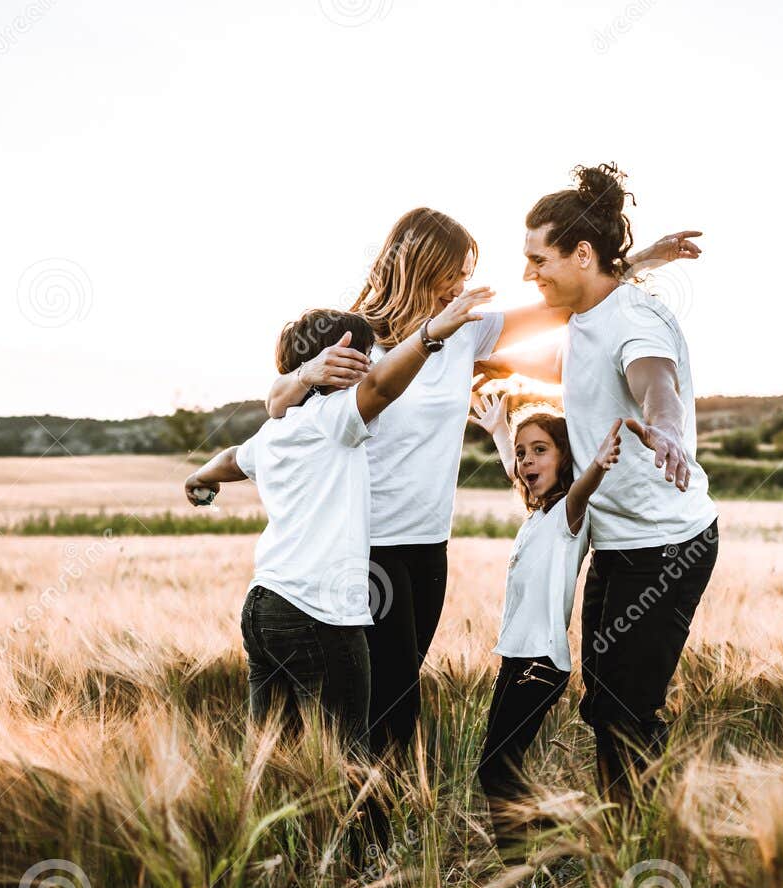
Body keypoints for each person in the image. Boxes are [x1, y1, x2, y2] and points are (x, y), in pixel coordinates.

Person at [261, 208, 700, 759]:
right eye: (456, 272)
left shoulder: (466, 333)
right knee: (384, 709)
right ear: (422, 266)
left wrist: (639, 261)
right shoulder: (357, 336)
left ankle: (379, 827)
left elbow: (559, 300)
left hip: (427, 549)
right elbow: (279, 408)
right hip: (364, 546)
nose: (464, 286)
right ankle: (362, 833)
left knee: (397, 699)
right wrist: (302, 375)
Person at [183, 288, 492, 743]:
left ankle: (270, 816)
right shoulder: (335, 419)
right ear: (341, 363)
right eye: (366, 357)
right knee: (349, 757)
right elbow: (383, 388)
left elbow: (233, 458)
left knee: (274, 754)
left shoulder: (279, 429)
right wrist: (430, 335)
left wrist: (198, 477)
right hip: (321, 616)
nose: (373, 366)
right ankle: (359, 820)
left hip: (263, 606)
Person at [502, 163, 719, 803]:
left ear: (583, 253)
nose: (528, 273)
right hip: (618, 542)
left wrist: (668, 428)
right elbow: (608, 285)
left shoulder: (636, 321)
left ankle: (637, 850)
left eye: (539, 259)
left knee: (626, 714)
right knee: (603, 704)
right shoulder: (590, 306)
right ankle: (623, 839)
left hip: (666, 548)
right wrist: (639, 258)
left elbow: (656, 380)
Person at [467, 394, 622, 876]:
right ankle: (559, 854)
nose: (527, 460)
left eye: (540, 450)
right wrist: (498, 432)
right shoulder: (537, 516)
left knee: (495, 771)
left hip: (540, 663)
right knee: (500, 771)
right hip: (517, 660)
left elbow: (579, 491)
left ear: (564, 458)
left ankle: (531, 876)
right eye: (522, 452)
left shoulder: (568, 518)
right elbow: (519, 476)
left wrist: (595, 464)